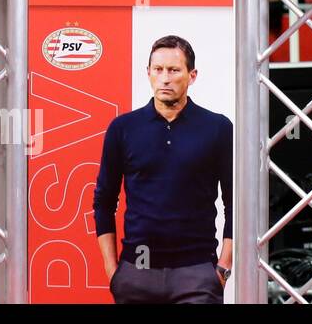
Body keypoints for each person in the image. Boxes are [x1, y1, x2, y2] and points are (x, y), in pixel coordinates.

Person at [94, 35, 232, 304]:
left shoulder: (218, 128)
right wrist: (114, 272)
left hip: (198, 273)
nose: (165, 78)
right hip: (137, 270)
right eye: (158, 70)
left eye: (174, 70)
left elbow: (235, 203)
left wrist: (223, 267)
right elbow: (104, 201)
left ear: (192, 76)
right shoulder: (123, 129)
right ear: (148, 73)